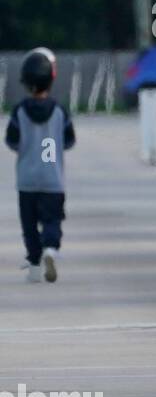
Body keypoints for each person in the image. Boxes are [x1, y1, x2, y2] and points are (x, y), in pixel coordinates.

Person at [6, 48, 75, 283]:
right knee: (52, 220)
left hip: (27, 179)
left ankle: (34, 265)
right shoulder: (59, 111)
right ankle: (51, 250)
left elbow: (12, 141)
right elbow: (69, 140)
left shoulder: (19, 111)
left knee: (29, 225)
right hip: (52, 178)